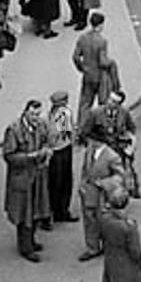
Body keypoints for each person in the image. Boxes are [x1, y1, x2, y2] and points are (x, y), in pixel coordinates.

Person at [2, 100, 51, 262]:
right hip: (21, 178)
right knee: (24, 213)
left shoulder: (41, 126)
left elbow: (46, 140)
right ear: (25, 113)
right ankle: (25, 248)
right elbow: (9, 156)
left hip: (37, 175)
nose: (36, 117)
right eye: (32, 114)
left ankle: (31, 241)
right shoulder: (14, 130)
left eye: (38, 114)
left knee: (36, 210)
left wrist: (46, 151)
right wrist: (30, 157)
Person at [78, 121, 127, 262]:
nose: (89, 142)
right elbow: (85, 169)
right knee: (89, 220)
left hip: (102, 195)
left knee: (103, 221)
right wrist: (82, 185)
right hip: (88, 191)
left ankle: (108, 245)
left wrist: (104, 183)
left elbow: (120, 176)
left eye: (91, 139)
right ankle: (92, 247)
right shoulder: (89, 151)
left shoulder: (112, 156)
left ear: (97, 140)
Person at [72, 12, 118, 133]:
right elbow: (102, 61)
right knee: (103, 103)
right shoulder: (102, 41)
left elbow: (76, 57)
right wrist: (111, 62)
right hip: (100, 76)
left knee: (85, 103)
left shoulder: (82, 38)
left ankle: (81, 128)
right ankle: (103, 127)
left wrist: (82, 68)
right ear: (101, 25)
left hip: (88, 75)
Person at [45, 89, 77, 224]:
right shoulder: (63, 114)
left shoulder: (51, 115)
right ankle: (61, 211)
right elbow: (65, 133)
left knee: (56, 182)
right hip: (61, 150)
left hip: (57, 151)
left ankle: (55, 209)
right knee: (63, 181)